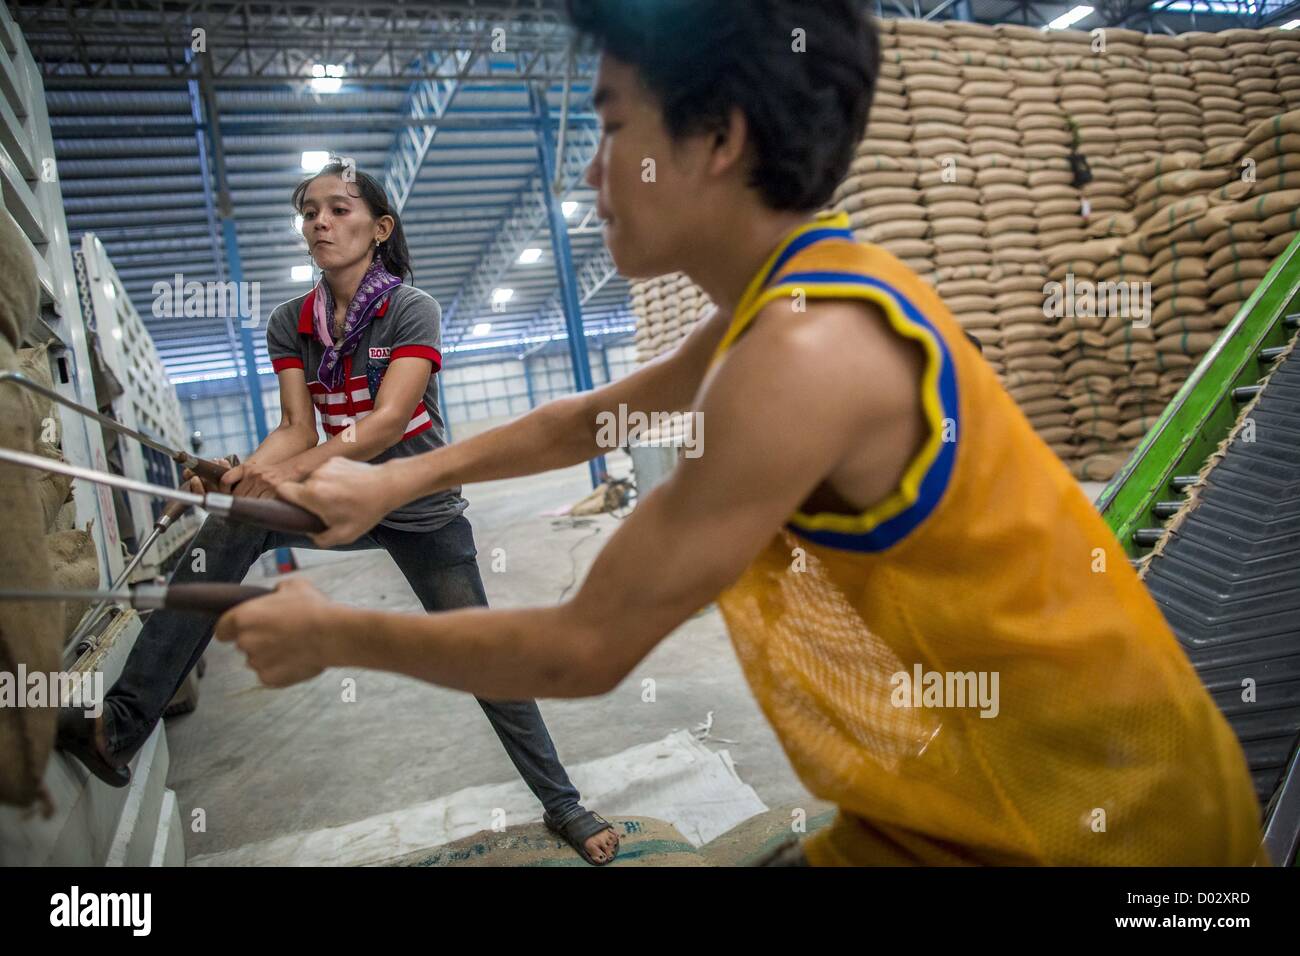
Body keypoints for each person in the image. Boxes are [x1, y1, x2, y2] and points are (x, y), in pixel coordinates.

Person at [216, 1, 1262, 866]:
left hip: (1095, 846)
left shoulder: (800, 362)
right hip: (932, 817)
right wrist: (399, 485)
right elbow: (587, 419)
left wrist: (336, 634)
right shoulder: (785, 304)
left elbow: (586, 645)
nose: (592, 172)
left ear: (717, 139)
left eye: (614, 127)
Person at [57, 163, 620, 866]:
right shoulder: (290, 323)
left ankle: (562, 802)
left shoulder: (411, 308)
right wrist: (247, 476)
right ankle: (121, 727)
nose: (319, 222)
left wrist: (273, 474)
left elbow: (385, 424)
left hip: (420, 507)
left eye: (339, 210)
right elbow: (295, 428)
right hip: (335, 499)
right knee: (227, 527)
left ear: (379, 230)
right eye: (309, 213)